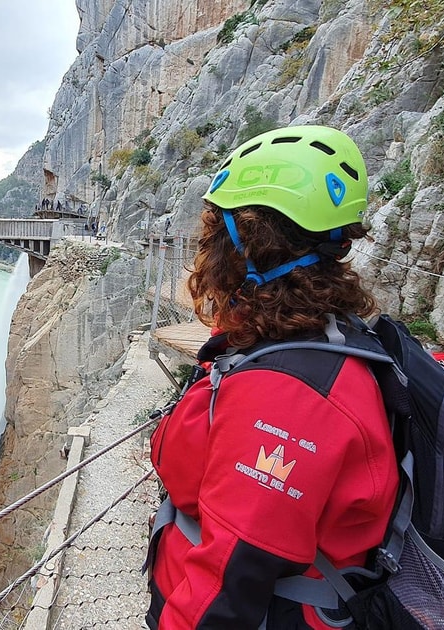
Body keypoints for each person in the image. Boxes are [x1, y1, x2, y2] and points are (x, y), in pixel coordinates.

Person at [146, 125, 399, 629]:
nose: (203, 249)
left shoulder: (286, 397)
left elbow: (229, 583)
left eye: (214, 233)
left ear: (244, 246)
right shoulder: (318, 337)